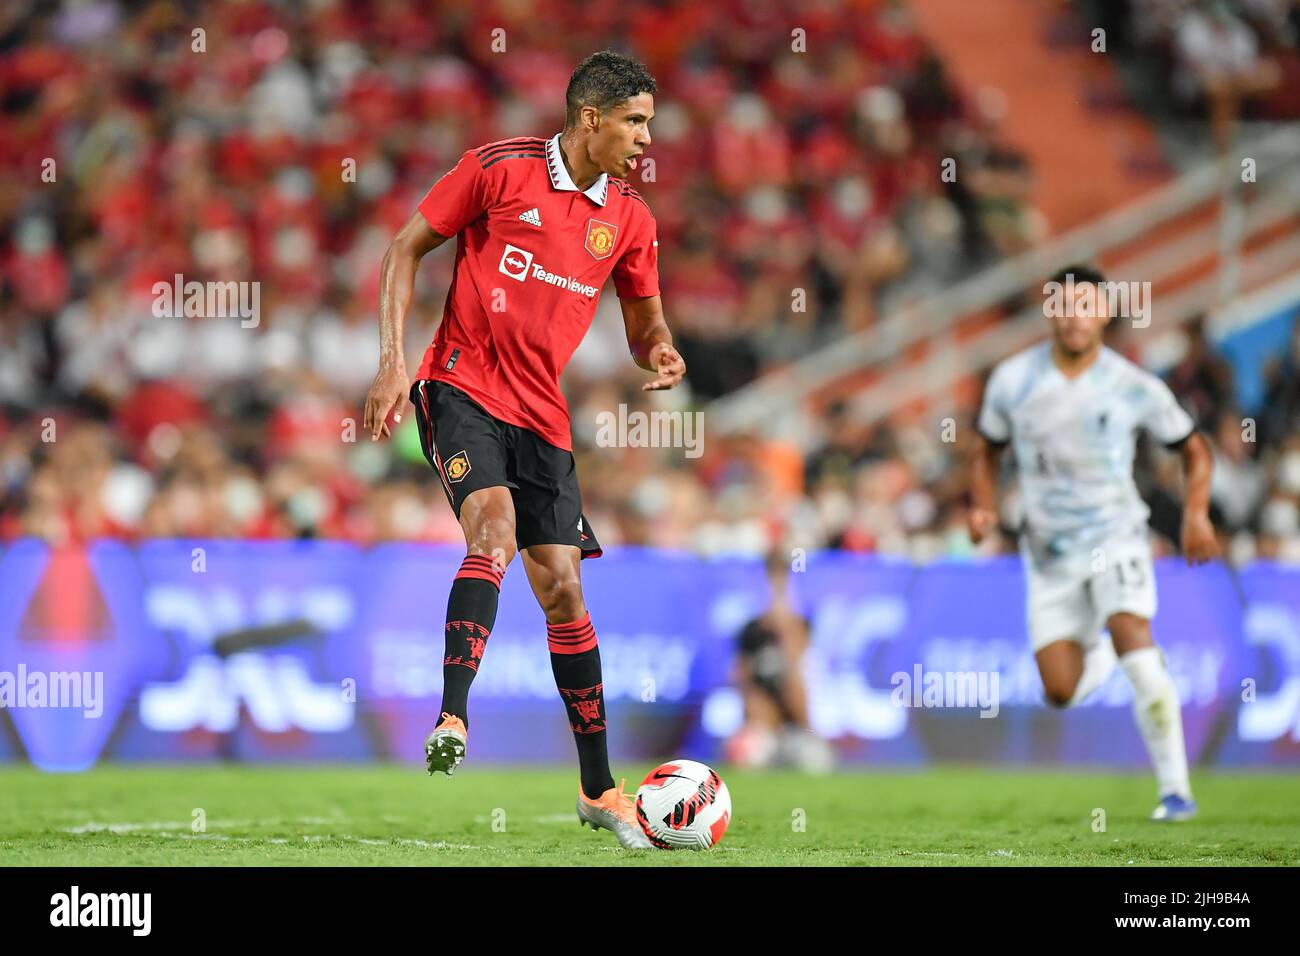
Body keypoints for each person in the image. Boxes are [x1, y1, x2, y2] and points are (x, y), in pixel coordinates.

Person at [362, 51, 685, 849]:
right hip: (460, 389)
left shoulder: (632, 219)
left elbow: (644, 325)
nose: (648, 137)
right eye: (636, 121)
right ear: (590, 119)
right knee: (494, 534)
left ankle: (597, 788)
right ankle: (451, 714)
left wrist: (663, 355)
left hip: (544, 418)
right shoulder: (498, 169)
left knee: (566, 593)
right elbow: (403, 247)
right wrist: (393, 361)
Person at [969, 265, 1218, 821]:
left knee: (1136, 641)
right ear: (1050, 313)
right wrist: (983, 503)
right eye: (1064, 306)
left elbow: (1194, 449)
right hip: (1049, 554)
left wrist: (1195, 514)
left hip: (1117, 534)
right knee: (1060, 691)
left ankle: (1176, 793)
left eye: (1087, 306)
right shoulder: (1013, 380)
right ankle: (1102, 649)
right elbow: (986, 448)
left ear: (1105, 313)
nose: (1075, 317)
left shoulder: (1132, 385)